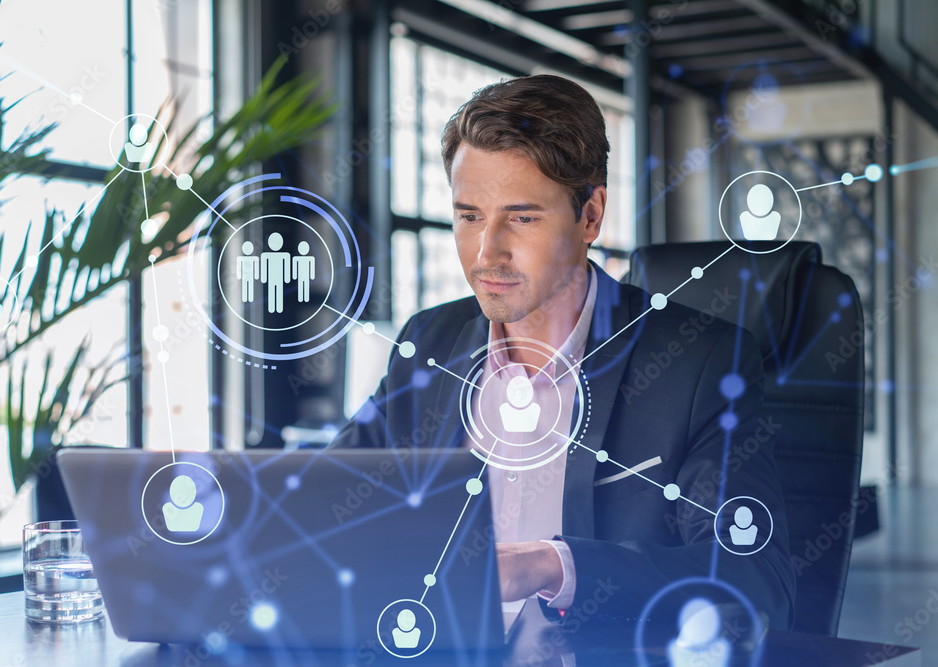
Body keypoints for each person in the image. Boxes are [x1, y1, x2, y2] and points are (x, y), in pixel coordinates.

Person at [330, 74, 795, 630]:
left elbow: (755, 577)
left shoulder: (699, 362)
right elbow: (326, 499)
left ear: (590, 216)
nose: (487, 252)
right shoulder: (428, 342)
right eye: (469, 215)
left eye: (522, 217)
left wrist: (550, 566)